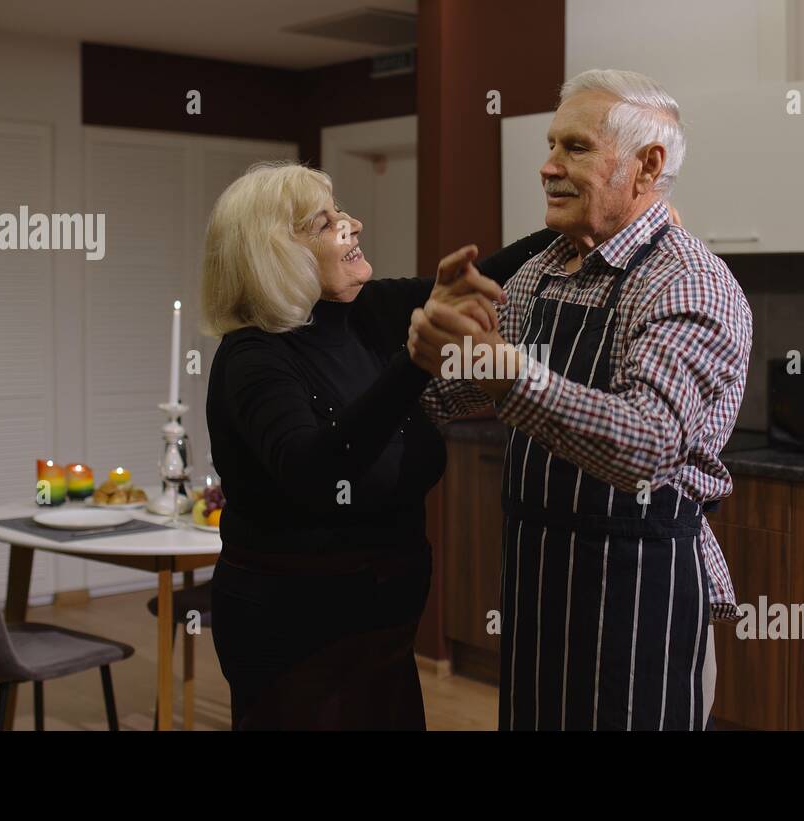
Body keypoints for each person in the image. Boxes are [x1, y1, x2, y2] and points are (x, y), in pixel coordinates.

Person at [408, 69, 753, 730]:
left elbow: (647, 442)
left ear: (647, 165)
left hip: (640, 590)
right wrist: (434, 348)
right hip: (541, 583)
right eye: (551, 144)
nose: (548, 166)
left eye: (575, 148)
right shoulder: (540, 273)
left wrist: (508, 375)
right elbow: (448, 394)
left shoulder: (688, 285)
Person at [201, 161, 554, 729]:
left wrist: (580, 223)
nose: (352, 224)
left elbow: (486, 279)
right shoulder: (254, 359)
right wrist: (415, 360)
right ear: (277, 255)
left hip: (384, 626)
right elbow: (319, 473)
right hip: (296, 632)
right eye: (326, 223)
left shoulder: (364, 312)